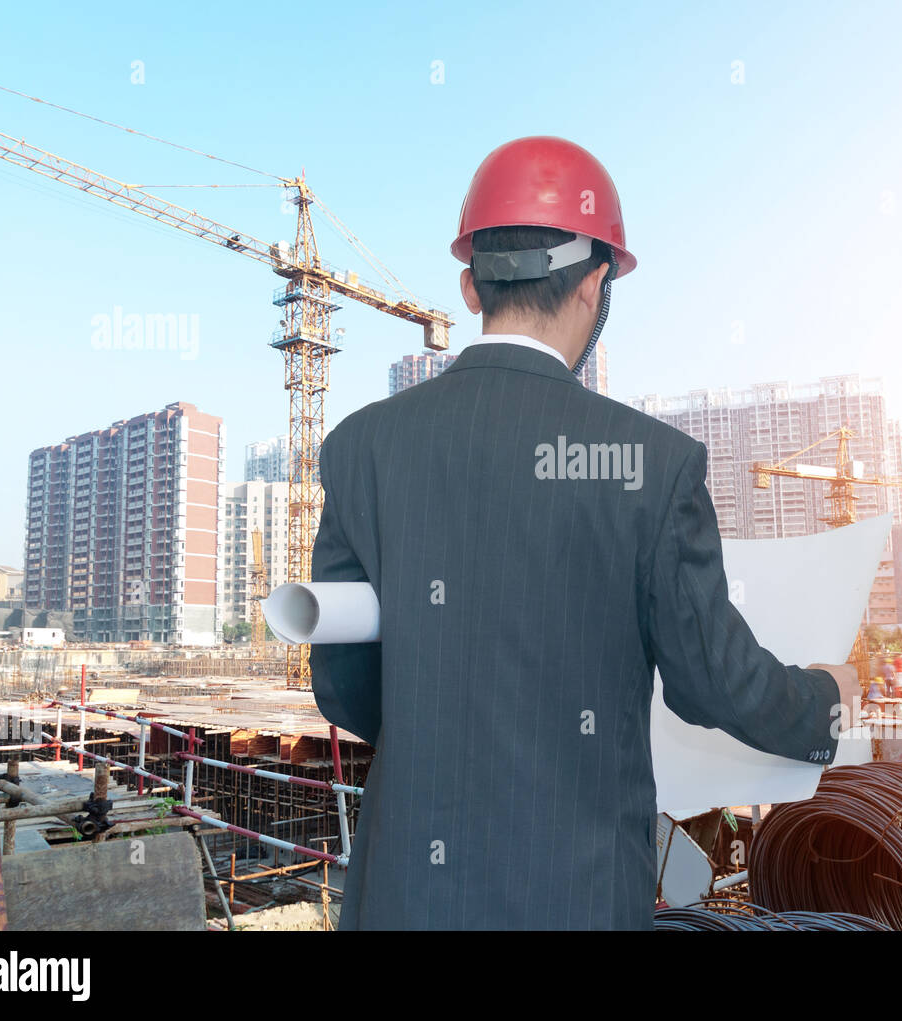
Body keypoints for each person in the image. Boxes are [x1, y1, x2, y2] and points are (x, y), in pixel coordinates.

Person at [308, 136, 860, 931]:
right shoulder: (650, 462)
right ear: (597, 284)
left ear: (470, 286)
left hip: (405, 899)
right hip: (574, 901)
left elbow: (346, 687)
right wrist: (824, 703)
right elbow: (716, 682)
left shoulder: (361, 448)